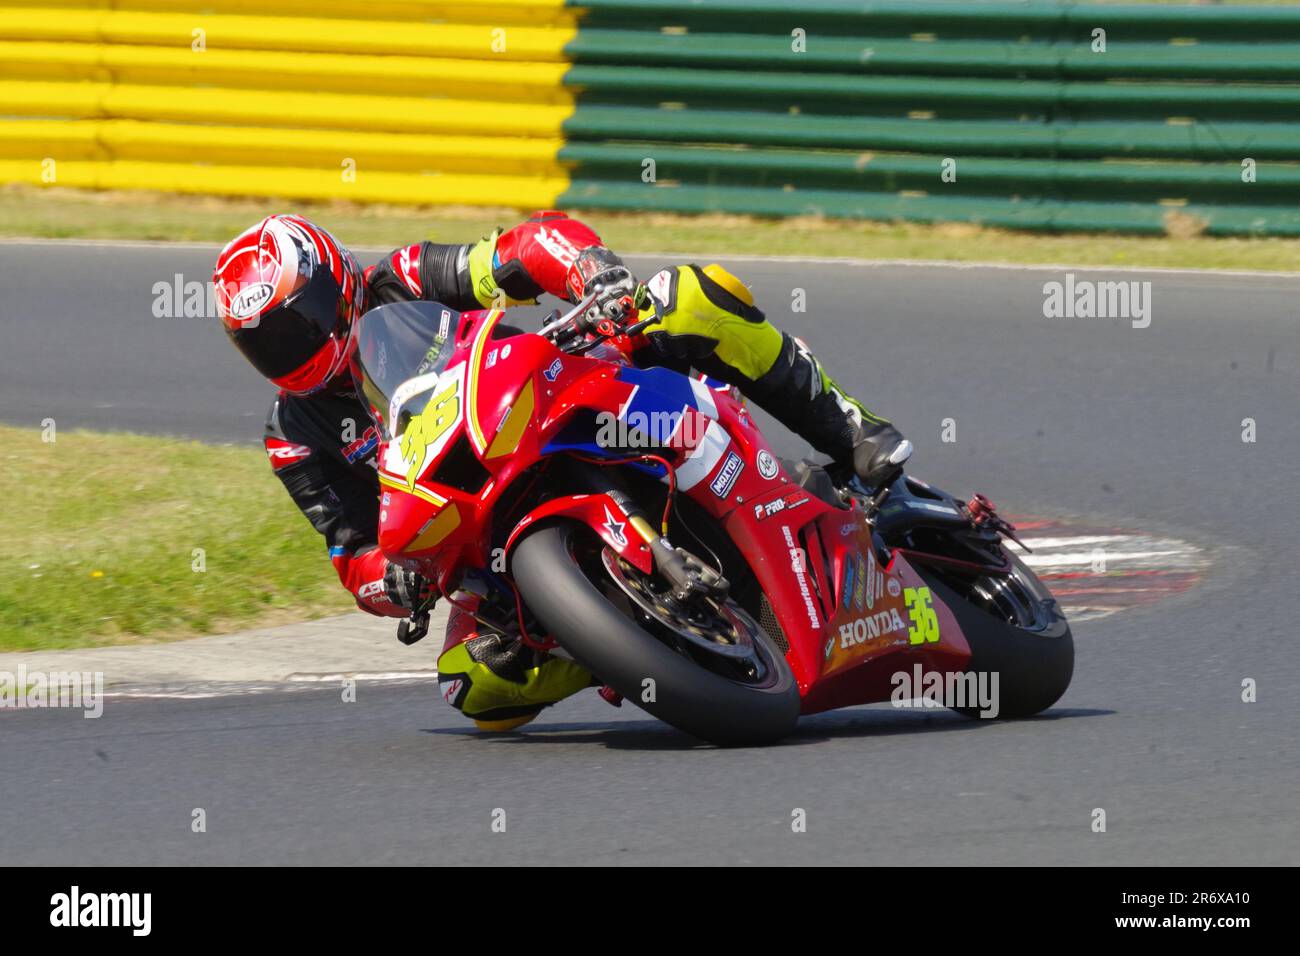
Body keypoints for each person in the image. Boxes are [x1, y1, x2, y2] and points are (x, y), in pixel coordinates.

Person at [213, 211, 907, 731]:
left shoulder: (406, 278)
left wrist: (591, 272)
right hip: (484, 528)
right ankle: (609, 635)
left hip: (562, 400)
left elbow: (518, 251)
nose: (288, 350)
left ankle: (848, 429)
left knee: (686, 295)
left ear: (333, 284)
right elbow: (347, 548)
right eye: (263, 345)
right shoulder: (292, 434)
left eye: (294, 325)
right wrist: (389, 579)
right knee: (471, 687)